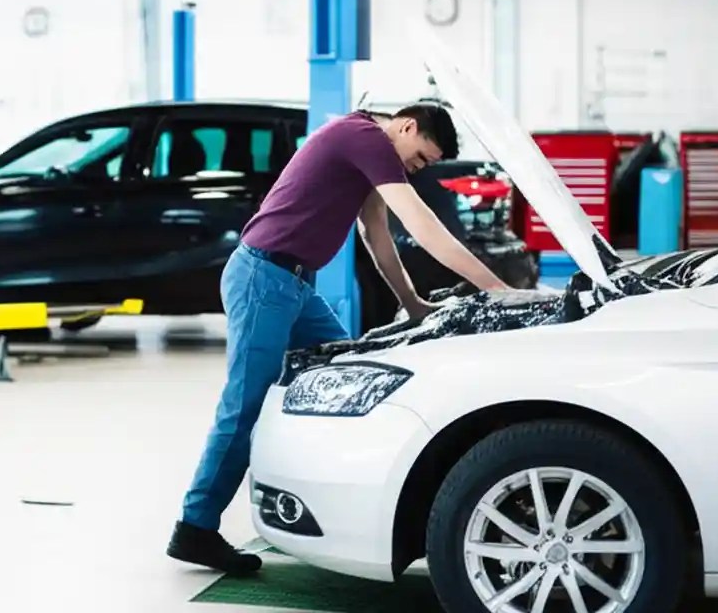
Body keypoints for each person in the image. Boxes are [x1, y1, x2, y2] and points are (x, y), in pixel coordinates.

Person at [166, 103, 510, 575]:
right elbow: (421, 224)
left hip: (294, 286)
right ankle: (195, 527)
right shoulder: (365, 138)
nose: (418, 168)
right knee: (243, 406)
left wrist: (413, 305)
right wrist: (497, 289)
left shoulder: (369, 147)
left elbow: (376, 234)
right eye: (421, 157)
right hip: (264, 279)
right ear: (407, 126)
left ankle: (318, 510)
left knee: (349, 382)